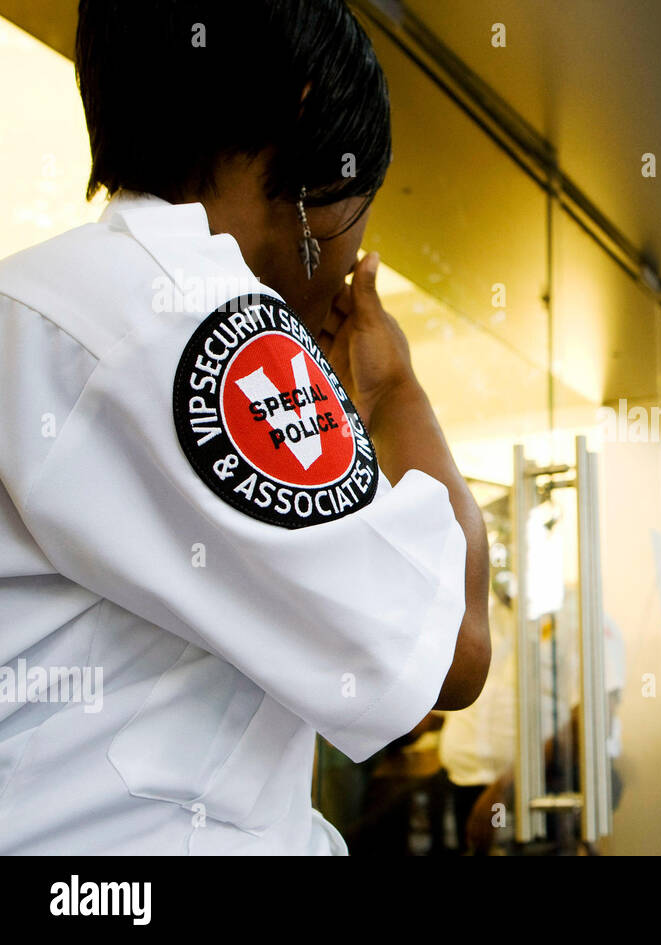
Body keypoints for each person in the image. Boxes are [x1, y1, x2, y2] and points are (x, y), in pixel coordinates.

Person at [0, 0, 490, 854]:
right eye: (363, 201)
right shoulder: (195, 314)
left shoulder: (50, 302)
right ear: (303, 111)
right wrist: (396, 384)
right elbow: (454, 651)